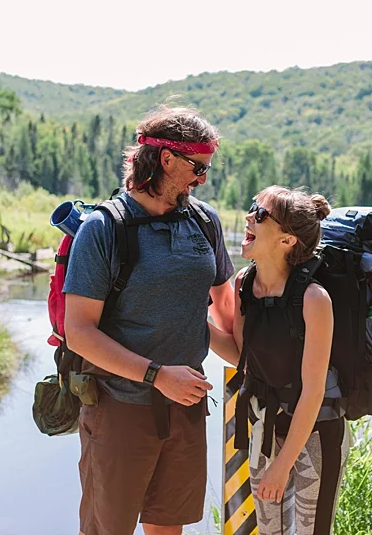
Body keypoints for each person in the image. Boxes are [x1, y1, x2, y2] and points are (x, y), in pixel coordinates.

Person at [63, 106, 238, 535]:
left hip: (186, 404)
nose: (202, 179)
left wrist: (258, 360)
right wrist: (157, 375)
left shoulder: (204, 221)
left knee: (168, 527)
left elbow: (224, 305)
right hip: (117, 406)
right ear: (165, 159)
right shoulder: (105, 229)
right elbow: (79, 332)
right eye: (198, 168)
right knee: (109, 528)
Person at [232, 186, 349, 535]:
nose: (249, 217)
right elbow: (243, 357)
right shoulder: (244, 284)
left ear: (287, 240)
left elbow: (313, 392)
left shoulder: (315, 299)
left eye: (262, 215)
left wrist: (282, 466)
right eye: (253, 208)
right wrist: (192, 321)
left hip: (317, 434)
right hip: (266, 428)